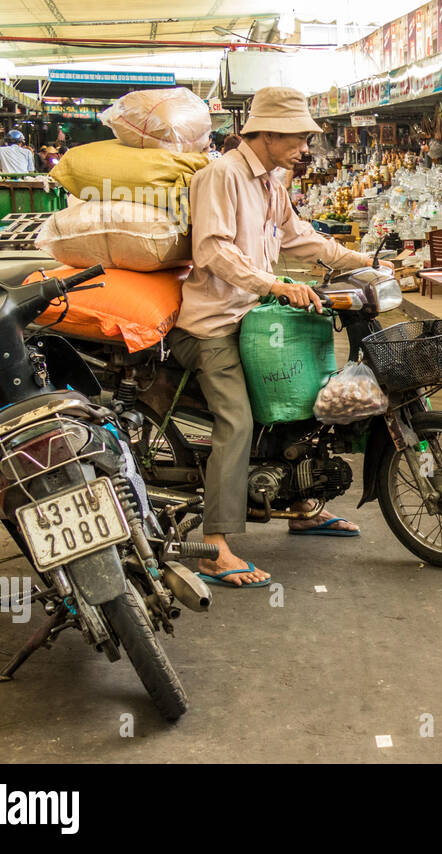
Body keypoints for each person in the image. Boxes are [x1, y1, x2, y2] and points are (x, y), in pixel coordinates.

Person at [168, 86, 382, 589]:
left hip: (257, 322)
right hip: (212, 326)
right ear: (264, 133)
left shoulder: (272, 183)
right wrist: (273, 285)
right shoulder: (220, 176)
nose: (305, 146)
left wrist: (362, 261)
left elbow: (300, 237)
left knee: (302, 396)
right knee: (238, 422)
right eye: (297, 136)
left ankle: (303, 505)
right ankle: (214, 547)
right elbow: (213, 250)